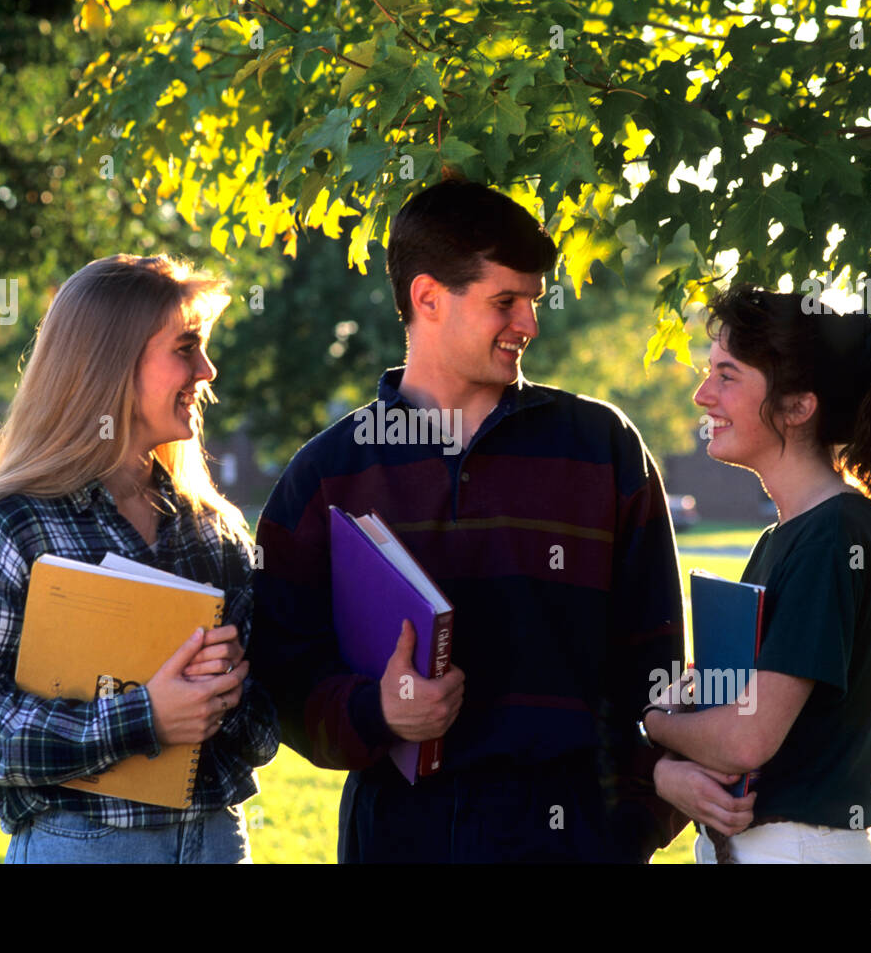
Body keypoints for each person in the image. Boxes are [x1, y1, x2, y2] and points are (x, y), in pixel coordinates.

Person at [251, 180, 687, 863]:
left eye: (533, 302)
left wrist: (629, 829)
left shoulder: (603, 448)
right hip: (398, 839)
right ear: (427, 298)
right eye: (505, 302)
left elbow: (657, 667)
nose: (530, 324)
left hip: (574, 839)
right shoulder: (328, 474)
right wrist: (378, 712)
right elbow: (279, 673)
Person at [0, 254, 278, 863]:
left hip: (217, 840)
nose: (207, 369)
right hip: (81, 847)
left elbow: (263, 730)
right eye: (186, 347)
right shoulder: (16, 525)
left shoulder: (215, 530)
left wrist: (231, 690)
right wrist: (142, 718)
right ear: (111, 363)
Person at [643, 285, 871, 864]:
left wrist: (656, 723)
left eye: (727, 375)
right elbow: (741, 717)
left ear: (796, 406)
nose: (702, 394)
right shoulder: (790, 534)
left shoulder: (833, 534)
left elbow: (747, 738)